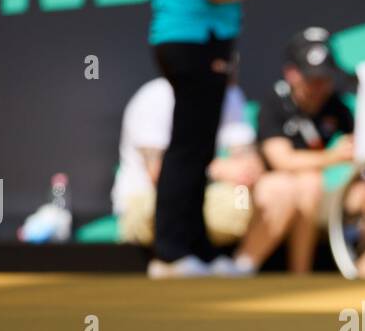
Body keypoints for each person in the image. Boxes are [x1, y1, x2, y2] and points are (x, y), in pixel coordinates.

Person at [147, 0, 282, 277]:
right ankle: (170, 252)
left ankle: (193, 248)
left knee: (197, 146)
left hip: (188, 39)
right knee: (189, 147)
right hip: (194, 40)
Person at [111, 72, 298, 274]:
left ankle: (240, 270)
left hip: (213, 199)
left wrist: (245, 172)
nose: (226, 69)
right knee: (186, 200)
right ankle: (171, 259)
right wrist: (219, 169)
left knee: (275, 190)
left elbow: (248, 161)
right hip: (147, 201)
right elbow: (158, 175)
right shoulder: (153, 97)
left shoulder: (229, 93)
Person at [257, 28, 365, 274]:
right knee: (308, 183)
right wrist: (332, 157)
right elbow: (280, 160)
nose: (319, 87)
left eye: (325, 78)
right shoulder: (274, 102)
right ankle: (301, 277)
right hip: (277, 195)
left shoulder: (337, 106)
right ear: (291, 74)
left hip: (323, 195)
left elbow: (358, 154)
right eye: (311, 78)